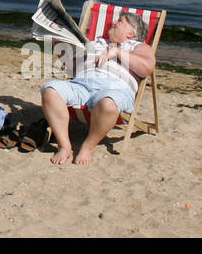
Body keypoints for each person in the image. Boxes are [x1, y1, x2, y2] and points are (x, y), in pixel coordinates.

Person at [40, 11, 154, 165]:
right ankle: (64, 145)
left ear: (131, 32)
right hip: (80, 85)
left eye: (120, 21)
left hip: (115, 90)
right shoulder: (95, 42)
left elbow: (146, 68)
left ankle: (88, 146)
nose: (113, 22)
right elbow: (72, 67)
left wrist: (118, 52)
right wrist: (57, 43)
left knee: (108, 103)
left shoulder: (137, 46)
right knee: (50, 90)